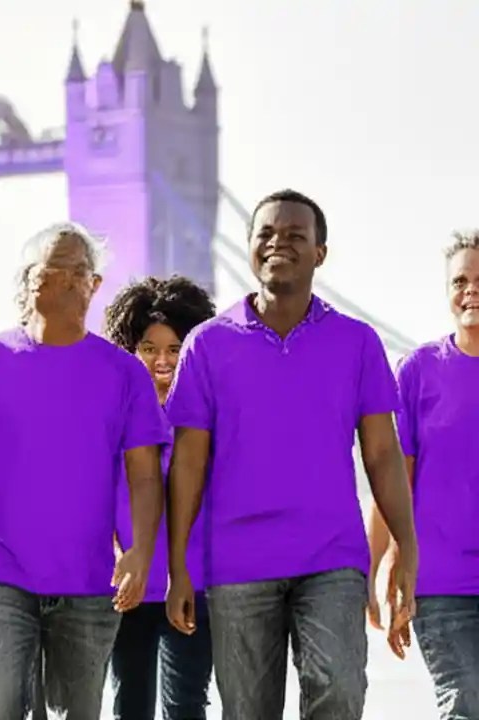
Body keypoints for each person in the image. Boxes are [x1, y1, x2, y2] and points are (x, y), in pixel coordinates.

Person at [164, 188, 419, 720]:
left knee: (340, 689)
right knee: (248, 712)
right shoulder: (207, 344)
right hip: (235, 564)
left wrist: (405, 546)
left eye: (296, 235)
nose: (279, 242)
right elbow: (188, 463)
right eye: (266, 234)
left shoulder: (358, 342)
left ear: (320, 253)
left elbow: (383, 454)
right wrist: (178, 566)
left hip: (331, 557)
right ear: (251, 247)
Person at [0, 222, 167, 720]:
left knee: (78, 713)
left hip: (88, 579)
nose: (55, 279)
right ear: (27, 279)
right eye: (45, 268)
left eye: (71, 270)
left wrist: (141, 550)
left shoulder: (125, 374)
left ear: (93, 284)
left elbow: (145, 473)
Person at [368, 231, 479, 719]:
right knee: (465, 705)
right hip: (443, 581)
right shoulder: (418, 372)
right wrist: (375, 568)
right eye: (460, 280)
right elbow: (392, 479)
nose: (470, 290)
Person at [102, 276, 216, 720]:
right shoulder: (112, 417)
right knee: (129, 704)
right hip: (127, 585)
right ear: (130, 350)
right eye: (149, 348)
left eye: (174, 348)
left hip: (194, 582)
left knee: (186, 705)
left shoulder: (209, 419)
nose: (162, 360)